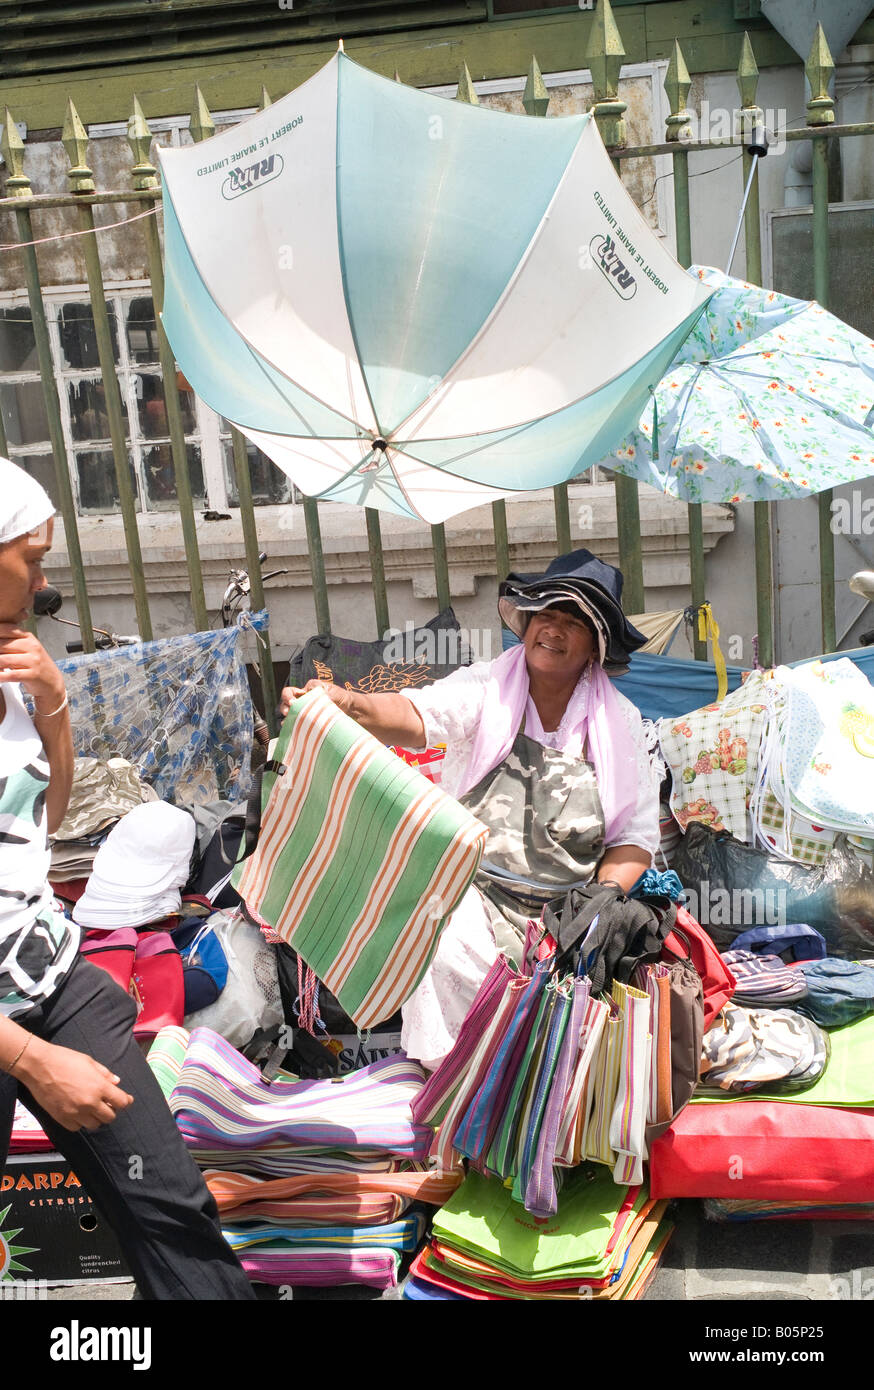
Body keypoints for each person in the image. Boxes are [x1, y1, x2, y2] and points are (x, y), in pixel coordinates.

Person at [0, 457, 255, 1300]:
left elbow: (47, 812)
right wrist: (33, 1061)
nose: (44, 583)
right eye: (29, 559)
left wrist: (53, 705)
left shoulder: (14, 664)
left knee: (169, 1202)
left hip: (46, 968)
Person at [280, 548, 660, 1068]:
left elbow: (634, 838)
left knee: (562, 1025)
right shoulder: (487, 688)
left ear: (597, 644)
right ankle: (454, 1099)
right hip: (473, 893)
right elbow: (415, 714)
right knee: (439, 943)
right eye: (546, 613)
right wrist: (345, 703)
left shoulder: (622, 723)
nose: (553, 629)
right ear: (525, 622)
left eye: (573, 621)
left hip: (569, 912)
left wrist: (595, 907)